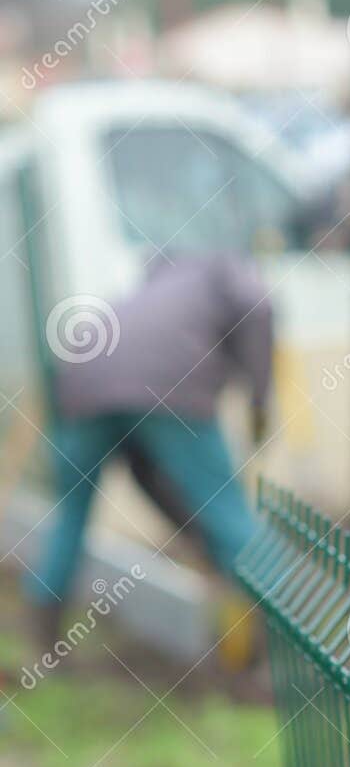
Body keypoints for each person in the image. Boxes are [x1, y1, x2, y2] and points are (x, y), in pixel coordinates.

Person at [23, 250, 273, 657]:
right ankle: (276, 629)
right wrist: (260, 402)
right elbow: (258, 308)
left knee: (70, 514)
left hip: (82, 386)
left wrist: (191, 529)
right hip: (169, 388)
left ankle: (43, 643)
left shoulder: (151, 288)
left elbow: (147, 473)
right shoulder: (226, 271)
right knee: (227, 511)